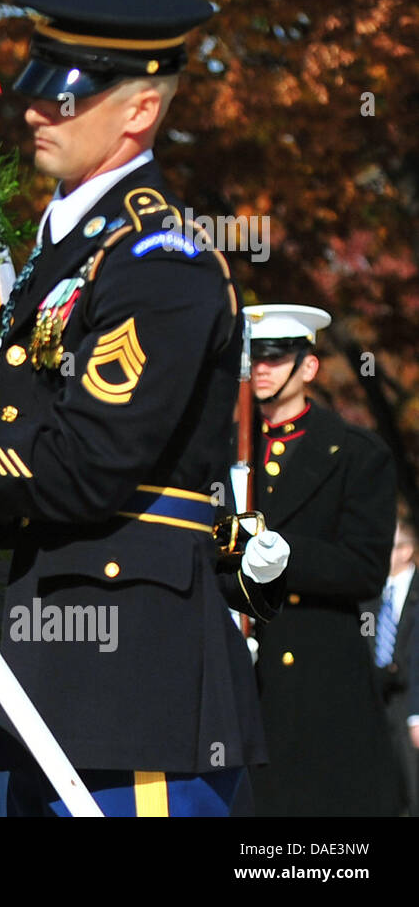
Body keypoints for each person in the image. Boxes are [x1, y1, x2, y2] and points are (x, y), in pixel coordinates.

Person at [0, 0, 287, 816]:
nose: (38, 112)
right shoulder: (69, 249)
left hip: (134, 687)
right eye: (38, 86)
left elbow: (84, 466)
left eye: (67, 93)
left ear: (139, 111)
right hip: (61, 677)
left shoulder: (161, 263)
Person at [240, 304, 400, 814]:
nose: (260, 367)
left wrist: (288, 556)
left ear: (307, 366)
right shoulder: (223, 450)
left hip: (319, 672)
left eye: (275, 357)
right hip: (240, 668)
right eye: (253, 358)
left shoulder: (355, 452)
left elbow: (364, 567)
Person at [370, 516, 419, 814]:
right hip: (378, 701)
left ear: (406, 551)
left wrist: (416, 713)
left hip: (409, 706)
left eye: (387, 547)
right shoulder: (372, 593)